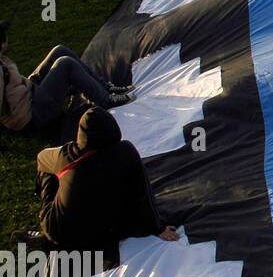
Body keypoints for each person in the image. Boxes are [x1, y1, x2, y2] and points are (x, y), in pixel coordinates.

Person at [33, 108, 178, 252]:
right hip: (105, 230)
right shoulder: (126, 152)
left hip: (62, 234)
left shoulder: (66, 157)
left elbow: (42, 158)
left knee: (50, 173)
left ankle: (47, 201)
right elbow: (142, 193)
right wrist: (157, 227)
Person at [0, 23, 130, 136]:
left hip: (28, 93)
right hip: (32, 114)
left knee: (59, 50)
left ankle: (105, 87)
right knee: (65, 64)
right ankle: (106, 100)